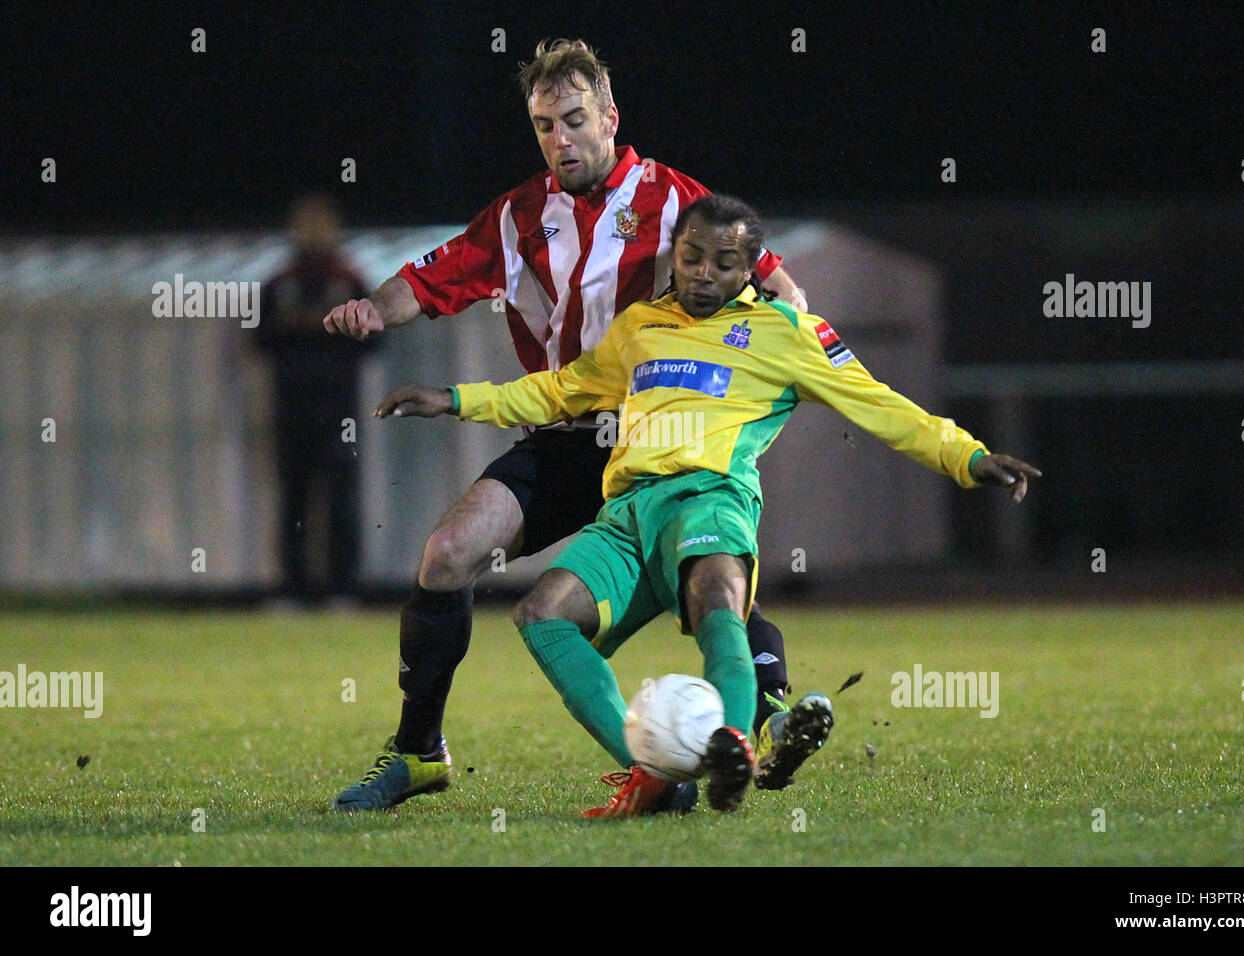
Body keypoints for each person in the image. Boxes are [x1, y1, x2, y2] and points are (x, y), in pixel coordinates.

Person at [372, 194, 1042, 817]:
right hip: (629, 513)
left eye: (723, 263)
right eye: (690, 257)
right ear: (675, 253)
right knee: (542, 614)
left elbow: (882, 405)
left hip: (709, 496)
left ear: (752, 269)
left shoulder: (787, 332)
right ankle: (657, 772)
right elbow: (560, 391)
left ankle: (733, 743)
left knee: (718, 595)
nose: (700, 273)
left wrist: (969, 457)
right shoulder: (640, 326)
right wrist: (456, 399)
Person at [325, 40, 822, 811]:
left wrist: (802, 356)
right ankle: (420, 753)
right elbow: (431, 279)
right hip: (564, 439)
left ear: (610, 119)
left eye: (574, 121)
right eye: (544, 126)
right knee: (447, 554)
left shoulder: (672, 201)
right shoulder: (519, 217)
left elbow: (777, 283)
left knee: (711, 592)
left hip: (657, 441)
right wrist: (371, 311)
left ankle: (764, 716)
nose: (560, 140)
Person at [256, 194, 370, 604]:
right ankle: (292, 589)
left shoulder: (349, 280)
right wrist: (307, 327)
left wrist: (319, 328)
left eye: (321, 222)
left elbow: (373, 340)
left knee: (341, 500)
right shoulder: (280, 283)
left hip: (340, 411)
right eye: (306, 223)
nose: (314, 232)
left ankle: (343, 589)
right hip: (292, 410)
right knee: (295, 501)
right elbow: (261, 339)